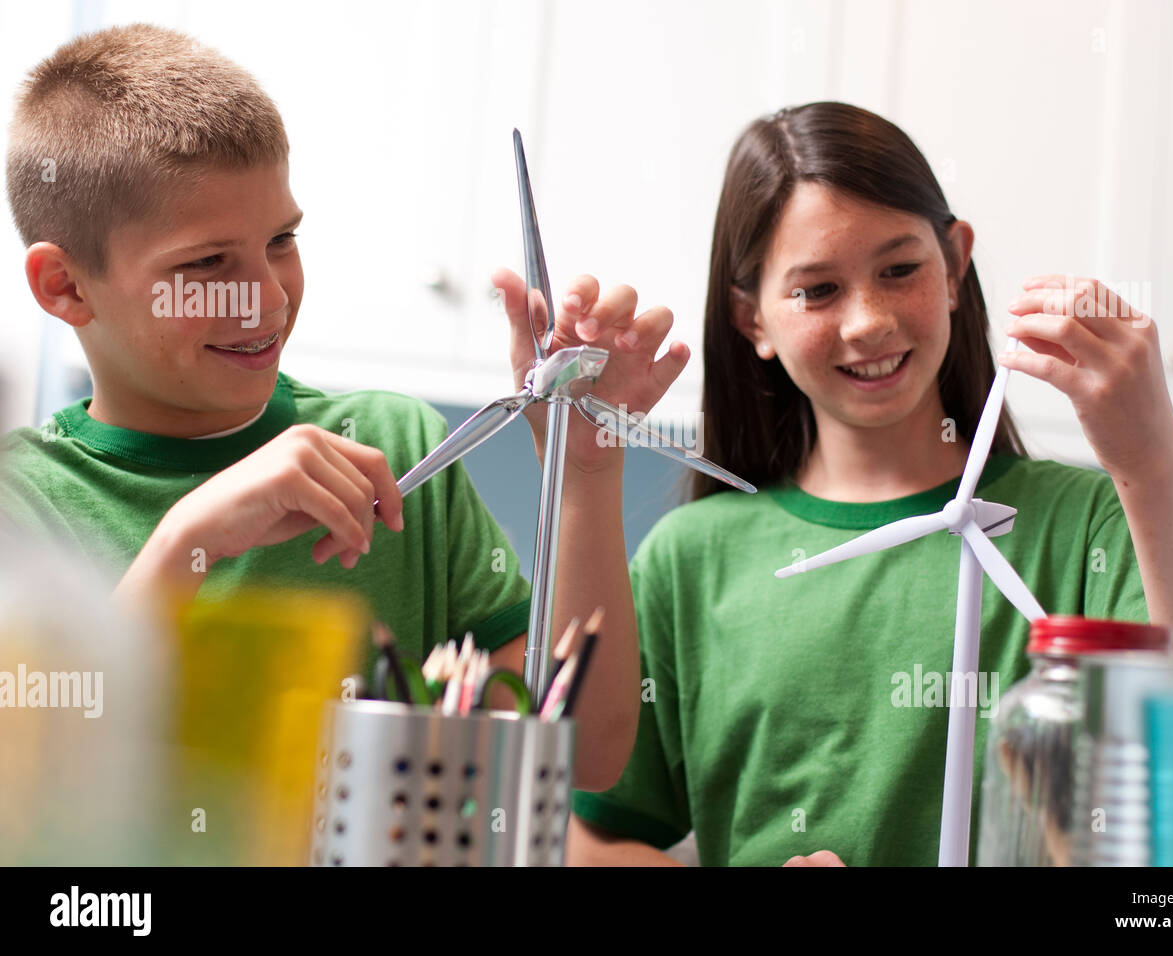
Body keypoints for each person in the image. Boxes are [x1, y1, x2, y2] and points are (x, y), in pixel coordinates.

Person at [567, 101, 1173, 865]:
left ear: (956, 264)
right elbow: (586, 831)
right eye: (817, 290)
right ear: (752, 321)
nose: (868, 321)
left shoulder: (1092, 527)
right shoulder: (689, 561)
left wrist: (1153, 460)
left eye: (900, 270)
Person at [0, 23, 690, 793]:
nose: (266, 297)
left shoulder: (397, 446)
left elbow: (583, 756)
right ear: (64, 286)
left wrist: (584, 471)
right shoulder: (19, 505)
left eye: (282, 240)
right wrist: (186, 541)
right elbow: (30, 790)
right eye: (206, 263)